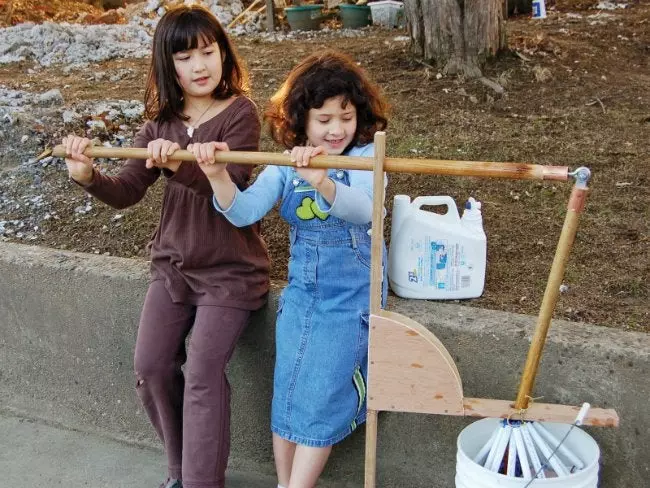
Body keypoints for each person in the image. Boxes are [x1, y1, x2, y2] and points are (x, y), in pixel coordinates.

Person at [61, 5, 269, 488]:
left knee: (201, 374)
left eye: (208, 52)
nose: (199, 66)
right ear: (167, 65)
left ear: (223, 54)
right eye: (185, 57)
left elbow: (232, 188)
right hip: (173, 267)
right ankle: (177, 471)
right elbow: (127, 191)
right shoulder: (159, 126)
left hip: (230, 271)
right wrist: (88, 175)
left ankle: (201, 482)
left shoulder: (241, 113)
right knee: (151, 368)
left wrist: (179, 166)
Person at [193, 50, 389, 488]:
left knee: (321, 397)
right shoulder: (286, 165)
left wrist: (323, 179)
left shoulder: (365, 159)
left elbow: (365, 211)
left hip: (350, 297)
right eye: (324, 119)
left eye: (346, 116)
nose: (337, 129)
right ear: (301, 121)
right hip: (302, 294)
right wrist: (217, 175)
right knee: (289, 393)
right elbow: (243, 212)